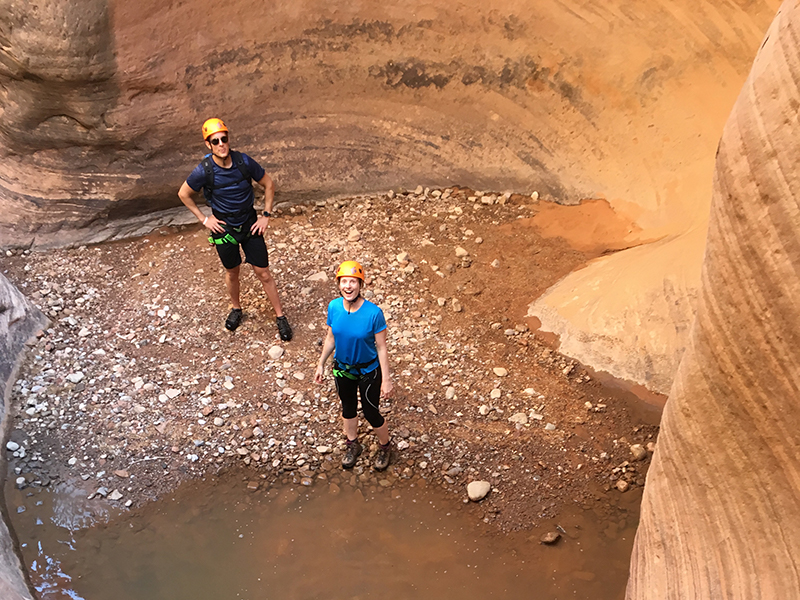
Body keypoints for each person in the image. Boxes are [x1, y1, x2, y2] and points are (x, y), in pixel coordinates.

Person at [178, 118, 292, 340]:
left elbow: (269, 184)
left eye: (224, 139)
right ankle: (236, 308)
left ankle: (280, 316)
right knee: (232, 271)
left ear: (228, 139)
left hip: (250, 223)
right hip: (223, 228)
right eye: (215, 141)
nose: (221, 144)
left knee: (263, 272)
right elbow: (183, 194)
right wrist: (204, 219)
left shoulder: (243, 162)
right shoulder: (204, 170)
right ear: (208, 145)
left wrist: (266, 215)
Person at [314, 261, 394, 470]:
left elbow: (382, 348)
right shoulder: (334, 307)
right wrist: (321, 364)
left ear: (360, 285)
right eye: (344, 282)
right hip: (342, 369)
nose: (348, 286)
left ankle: (385, 447)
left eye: (352, 282)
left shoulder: (373, 313)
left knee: (371, 412)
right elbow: (331, 337)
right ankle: (353, 444)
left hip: (368, 370)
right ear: (339, 284)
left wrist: (386, 380)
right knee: (348, 408)